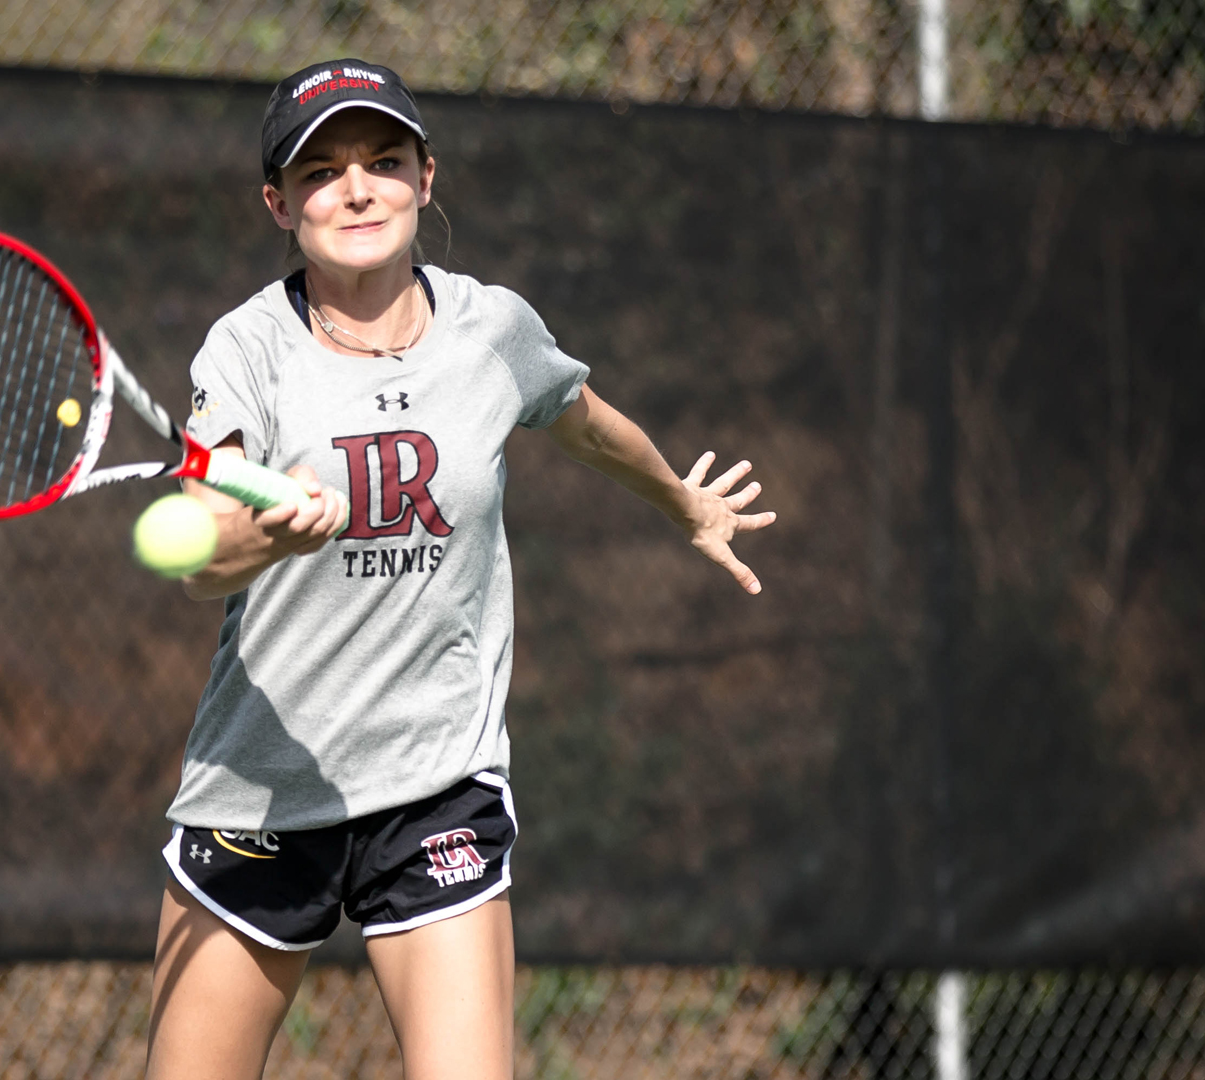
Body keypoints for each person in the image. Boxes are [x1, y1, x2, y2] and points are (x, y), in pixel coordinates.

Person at [146, 60, 776, 1080]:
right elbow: (204, 553)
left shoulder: (495, 330)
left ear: (425, 178)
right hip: (259, 795)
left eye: (383, 162)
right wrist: (273, 537)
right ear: (279, 203)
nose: (358, 190)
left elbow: (589, 426)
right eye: (322, 172)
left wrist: (684, 503)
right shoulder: (246, 350)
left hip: (436, 782)